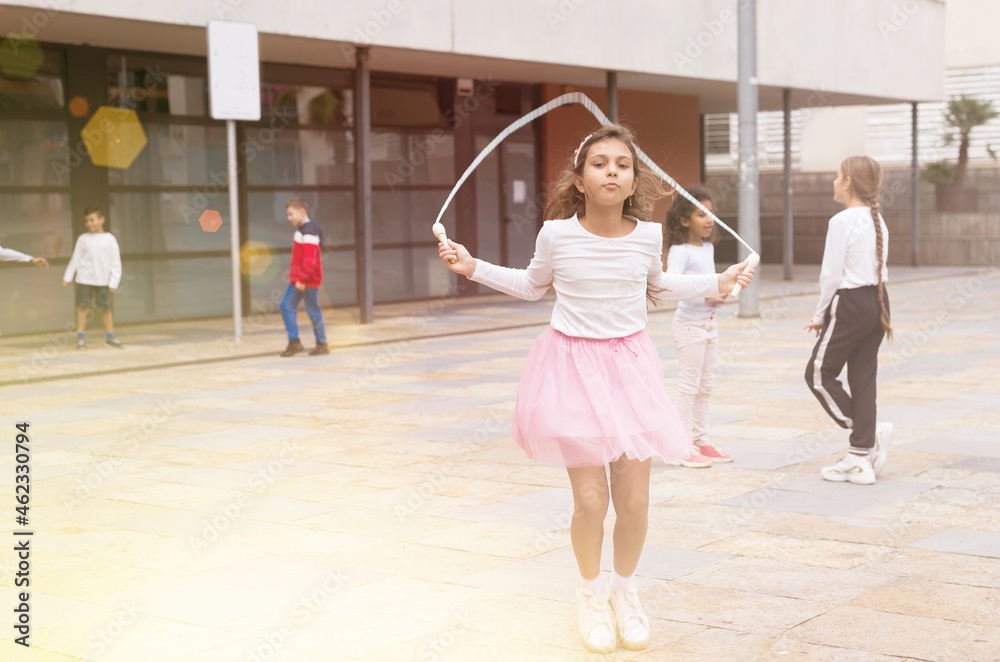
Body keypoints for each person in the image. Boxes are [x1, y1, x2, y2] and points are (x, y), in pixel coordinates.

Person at [437, 125, 753, 654]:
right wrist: (474, 268)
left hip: (631, 370)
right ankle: (590, 595)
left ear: (633, 180)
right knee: (589, 500)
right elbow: (534, 285)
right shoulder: (557, 235)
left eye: (622, 164)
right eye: (600, 162)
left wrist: (716, 282)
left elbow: (657, 285)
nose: (612, 170)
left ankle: (624, 592)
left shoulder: (650, 236)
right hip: (573, 370)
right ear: (580, 179)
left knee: (633, 502)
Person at [805, 155, 893, 485]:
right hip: (879, 301)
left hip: (851, 304)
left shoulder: (842, 221)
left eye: (836, 176)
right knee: (862, 377)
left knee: (817, 374)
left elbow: (830, 276)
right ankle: (860, 457)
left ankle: (866, 434)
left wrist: (818, 315)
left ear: (848, 183)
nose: (833, 181)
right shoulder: (876, 219)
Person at [664, 187, 734, 468]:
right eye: (700, 213)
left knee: (705, 387)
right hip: (689, 327)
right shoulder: (680, 252)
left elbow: (709, 282)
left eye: (711, 214)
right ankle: (679, 447)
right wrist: (705, 293)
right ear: (683, 220)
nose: (708, 219)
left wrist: (719, 292)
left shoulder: (708, 248)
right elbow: (669, 286)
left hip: (709, 325)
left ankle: (701, 440)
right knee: (689, 387)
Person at [62, 206, 123, 349]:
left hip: (103, 280)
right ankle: (80, 337)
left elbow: (116, 263)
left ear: (102, 220)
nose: (89, 223)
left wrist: (114, 281)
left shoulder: (110, 239)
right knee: (83, 308)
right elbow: (75, 259)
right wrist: (67, 277)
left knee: (105, 308)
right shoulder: (83, 239)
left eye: (92, 220)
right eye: (86, 221)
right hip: (84, 279)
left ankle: (110, 337)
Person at [279, 196, 329, 357]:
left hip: (307, 281)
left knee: (312, 310)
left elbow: (310, 260)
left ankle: (322, 344)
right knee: (286, 305)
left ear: (302, 211)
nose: (289, 218)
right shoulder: (301, 230)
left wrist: (302, 279)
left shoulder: (309, 231)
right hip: (298, 279)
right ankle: (294, 342)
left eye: (291, 214)